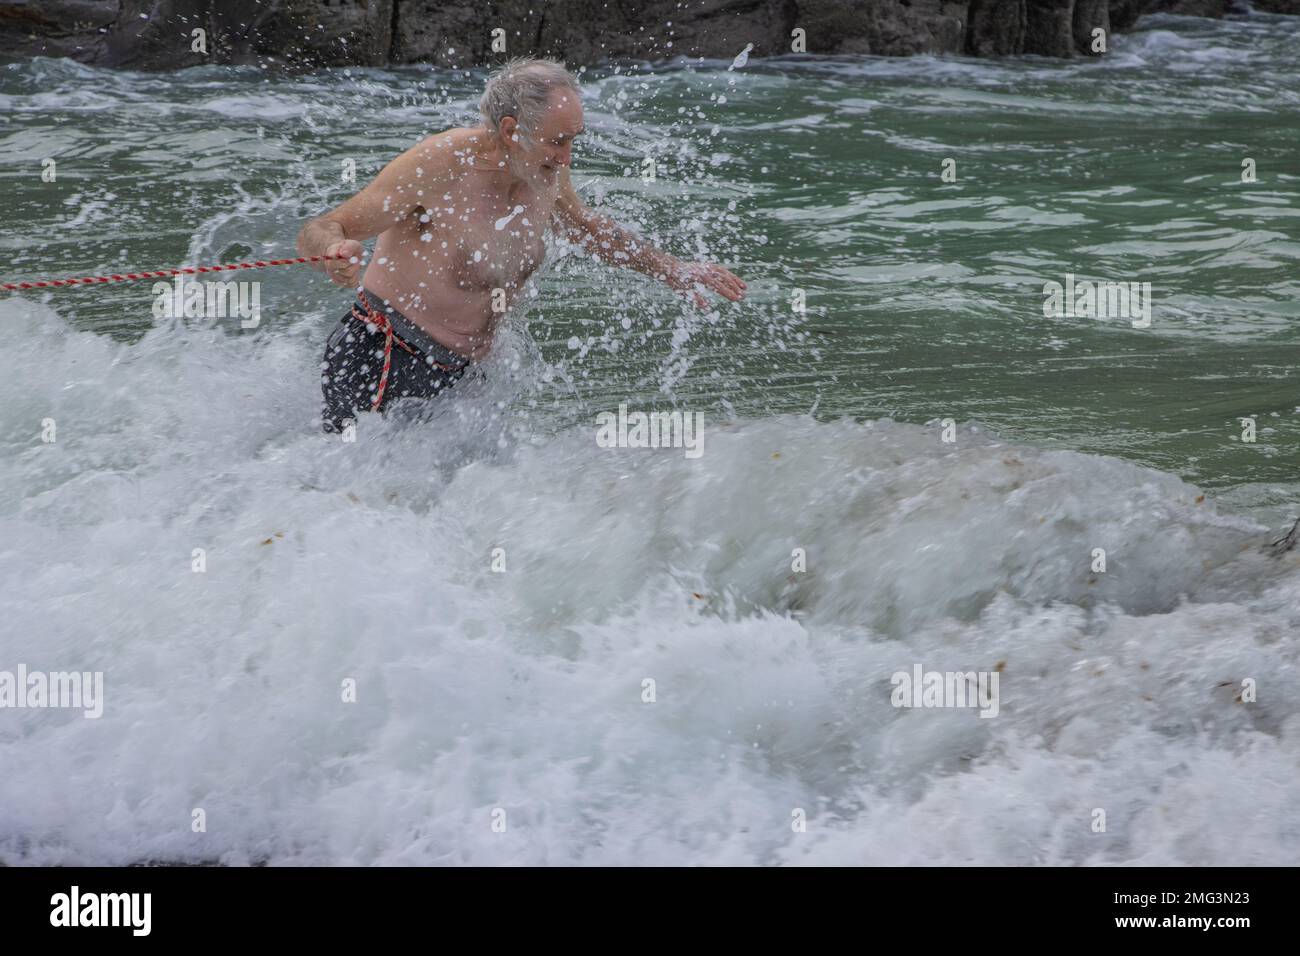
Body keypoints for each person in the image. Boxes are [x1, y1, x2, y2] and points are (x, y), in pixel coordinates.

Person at [297, 57, 747, 432]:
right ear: (512, 130)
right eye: (558, 141)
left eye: (574, 140)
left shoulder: (545, 170)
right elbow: (325, 227)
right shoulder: (440, 165)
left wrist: (672, 269)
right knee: (360, 507)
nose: (567, 156)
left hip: (470, 377)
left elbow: (585, 227)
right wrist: (334, 252)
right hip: (385, 358)